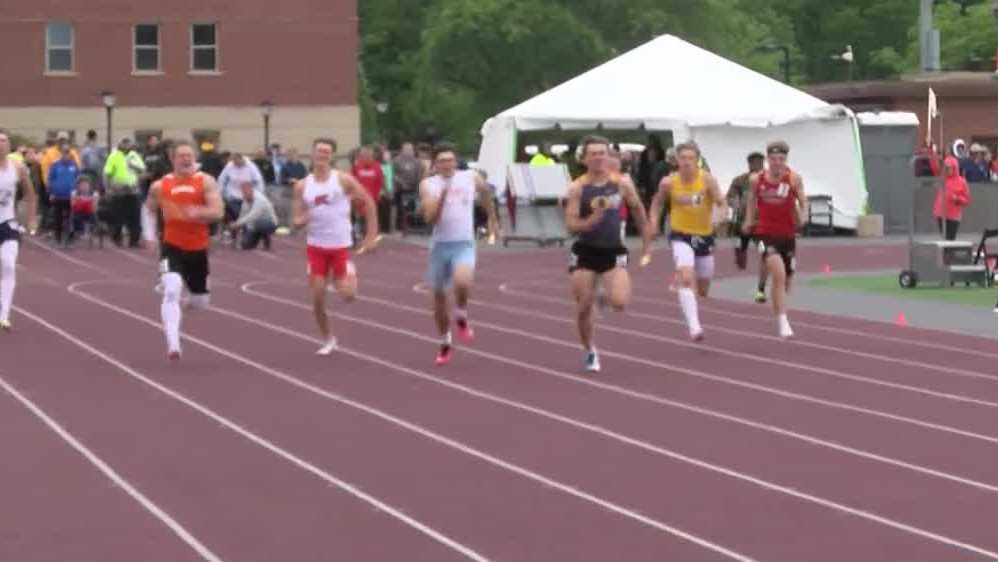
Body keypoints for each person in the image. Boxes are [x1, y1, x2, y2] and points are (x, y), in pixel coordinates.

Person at [564, 135, 650, 372]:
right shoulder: (577, 188)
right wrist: (590, 221)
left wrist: (647, 243)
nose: (598, 157)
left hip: (613, 250)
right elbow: (570, 224)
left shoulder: (621, 183)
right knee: (582, 308)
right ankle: (589, 349)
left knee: (620, 302)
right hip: (585, 252)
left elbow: (638, 211)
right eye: (593, 154)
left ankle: (602, 296)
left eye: (602, 153)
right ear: (584, 159)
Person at [292, 138, 378, 355]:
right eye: (319, 151)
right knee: (318, 296)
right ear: (312, 154)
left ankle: (349, 271)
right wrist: (303, 219)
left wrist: (370, 235)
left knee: (348, 297)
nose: (322, 155)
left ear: (332, 156)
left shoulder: (343, 180)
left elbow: (367, 201)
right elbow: (295, 220)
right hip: (316, 247)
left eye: (327, 152)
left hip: (339, 245)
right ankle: (328, 339)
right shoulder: (303, 186)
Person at [143, 141, 224, 360]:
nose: (186, 159)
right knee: (172, 290)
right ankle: (173, 344)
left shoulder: (205, 181)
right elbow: (148, 210)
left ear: (195, 157)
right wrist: (149, 236)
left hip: (198, 248)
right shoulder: (160, 186)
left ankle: (179, 304)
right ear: (173, 159)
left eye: (189, 155)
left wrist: (198, 212)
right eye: (181, 156)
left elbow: (218, 211)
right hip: (172, 246)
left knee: (200, 302)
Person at [420, 143, 498, 366]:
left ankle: (461, 313)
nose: (446, 164)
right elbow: (430, 219)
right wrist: (441, 200)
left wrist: (492, 219)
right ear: (435, 164)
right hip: (440, 246)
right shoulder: (428, 185)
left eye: (450, 160)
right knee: (439, 299)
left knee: (462, 282)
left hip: (463, 243)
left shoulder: (470, 177)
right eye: (442, 161)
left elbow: (485, 194)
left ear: (456, 161)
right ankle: (445, 341)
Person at [646, 142, 727, 341]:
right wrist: (654, 223)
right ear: (676, 160)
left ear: (697, 160)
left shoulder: (707, 180)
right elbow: (656, 204)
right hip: (680, 234)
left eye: (691, 158)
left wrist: (718, 216)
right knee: (686, 275)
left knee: (703, 286)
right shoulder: (668, 182)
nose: (687, 162)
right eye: (683, 158)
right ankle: (694, 327)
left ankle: (687, 294)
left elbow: (721, 202)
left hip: (704, 236)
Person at [742, 140, 806, 339]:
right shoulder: (756, 180)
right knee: (777, 273)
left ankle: (780, 306)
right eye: (773, 159)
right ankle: (782, 320)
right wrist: (748, 220)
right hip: (764, 233)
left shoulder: (793, 179)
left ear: (786, 159)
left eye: (781, 159)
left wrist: (803, 215)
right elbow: (752, 200)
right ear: (767, 159)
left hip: (787, 234)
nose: (777, 162)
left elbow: (804, 200)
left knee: (786, 279)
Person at [0, 130, 38, 330]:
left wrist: (30, 219)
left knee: (8, 265)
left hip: (8, 223)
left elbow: (30, 195)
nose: (1, 144)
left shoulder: (18, 168)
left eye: (4, 140)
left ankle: (3, 314)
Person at [727, 151, 771, 302]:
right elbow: (730, 197)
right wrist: (736, 203)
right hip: (743, 225)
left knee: (766, 254)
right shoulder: (740, 181)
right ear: (749, 164)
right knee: (740, 257)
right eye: (754, 162)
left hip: (761, 227)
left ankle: (761, 289)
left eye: (759, 162)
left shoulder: (770, 180)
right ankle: (740, 252)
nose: (757, 165)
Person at [103, 137, 146, 247]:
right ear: (120, 144)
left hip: (133, 190)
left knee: (135, 217)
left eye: (128, 143)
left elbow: (142, 170)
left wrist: (137, 179)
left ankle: (134, 240)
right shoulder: (114, 156)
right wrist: (108, 189)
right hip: (118, 190)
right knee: (118, 216)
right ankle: (117, 239)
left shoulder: (134, 155)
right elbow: (107, 173)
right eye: (124, 142)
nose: (126, 145)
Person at [47, 143, 81, 246]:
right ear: (61, 154)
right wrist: (51, 193)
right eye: (64, 153)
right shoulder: (55, 165)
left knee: (70, 218)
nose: (65, 155)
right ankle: (57, 238)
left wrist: (77, 192)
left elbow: (78, 179)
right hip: (58, 196)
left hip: (71, 197)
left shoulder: (74, 165)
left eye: (67, 153)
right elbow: (50, 179)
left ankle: (70, 238)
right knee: (58, 218)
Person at [230, 180, 278, 250]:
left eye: (246, 190)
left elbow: (253, 215)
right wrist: (237, 225)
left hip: (269, 222)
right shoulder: (245, 199)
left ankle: (266, 240)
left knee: (261, 224)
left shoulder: (260, 200)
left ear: (251, 189)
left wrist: (237, 224)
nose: (244, 193)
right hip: (253, 225)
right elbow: (243, 214)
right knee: (245, 245)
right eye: (243, 191)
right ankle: (253, 239)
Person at [933, 156, 971, 241]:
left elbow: (967, 200)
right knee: (944, 239)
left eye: (949, 168)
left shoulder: (961, 182)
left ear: (955, 168)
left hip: (954, 215)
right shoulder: (942, 179)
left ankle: (949, 253)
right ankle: (945, 253)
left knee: (950, 239)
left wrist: (957, 198)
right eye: (945, 168)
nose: (947, 170)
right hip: (941, 214)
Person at [69, 176, 98, 244]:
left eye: (86, 184)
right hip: (79, 211)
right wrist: (80, 200)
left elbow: (95, 207)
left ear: (89, 185)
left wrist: (88, 201)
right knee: (76, 215)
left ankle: (90, 231)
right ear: (78, 186)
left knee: (94, 215)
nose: (84, 186)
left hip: (90, 212)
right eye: (82, 185)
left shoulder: (94, 193)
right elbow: (72, 205)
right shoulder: (74, 193)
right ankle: (80, 231)